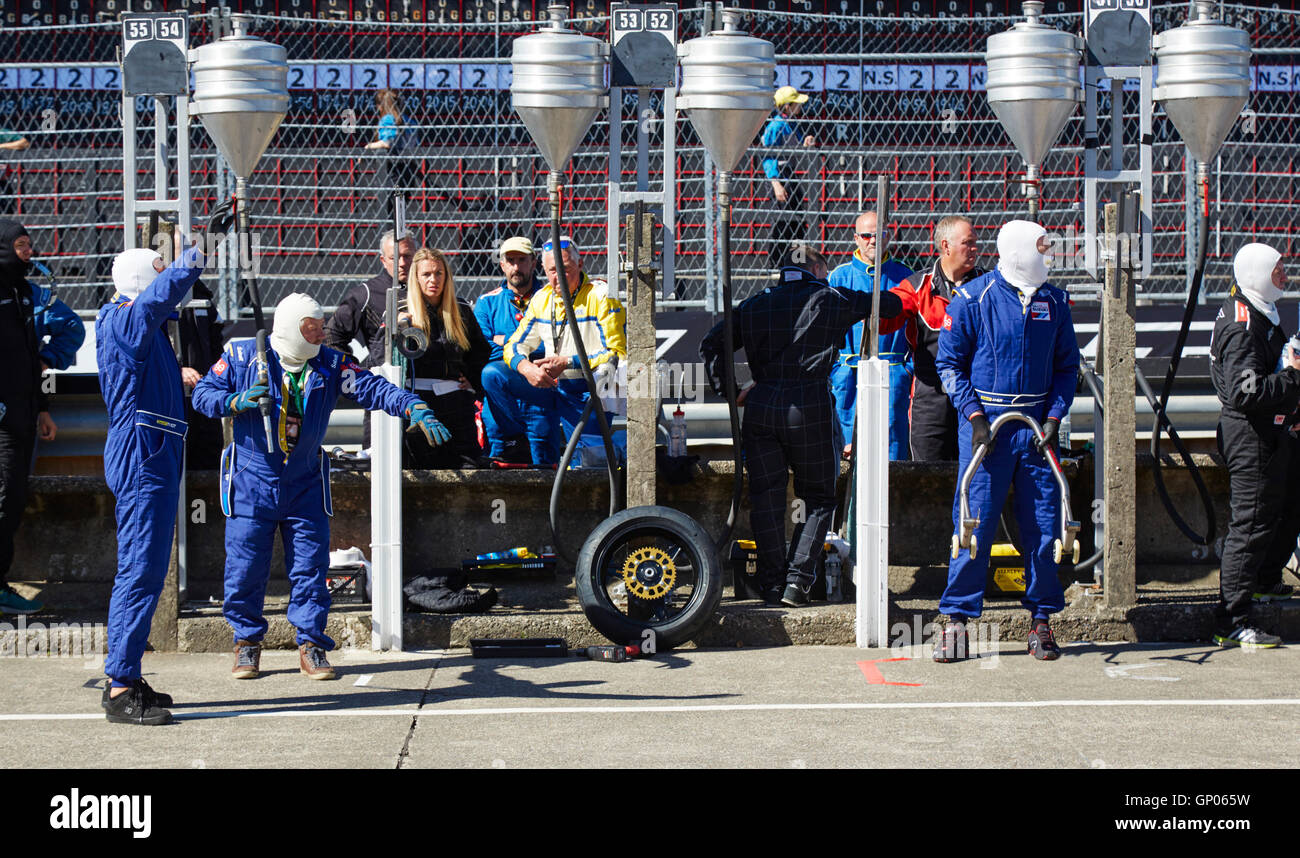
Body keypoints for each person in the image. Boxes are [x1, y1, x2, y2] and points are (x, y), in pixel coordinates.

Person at [192, 292, 446, 682]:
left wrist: (412, 405)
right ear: (289, 328)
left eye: (319, 328)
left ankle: (311, 643)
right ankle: (246, 644)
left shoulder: (329, 363)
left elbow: (373, 388)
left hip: (305, 480)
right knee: (244, 569)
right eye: (308, 329)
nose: (316, 335)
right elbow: (201, 395)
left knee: (311, 568)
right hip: (252, 481)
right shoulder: (244, 356)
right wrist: (236, 401)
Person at [700, 244, 902, 608]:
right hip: (808, 404)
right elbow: (889, 305)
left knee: (767, 498)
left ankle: (772, 584)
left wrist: (730, 392)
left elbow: (710, 345)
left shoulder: (755, 304)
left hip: (762, 406)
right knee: (820, 498)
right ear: (818, 268)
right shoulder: (830, 296)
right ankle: (798, 582)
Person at [933, 220, 1079, 662]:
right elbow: (949, 365)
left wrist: (1054, 416)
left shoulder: (1055, 302)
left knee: (1043, 525)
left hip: (1035, 430)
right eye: (1040, 247)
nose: (1047, 255)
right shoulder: (973, 298)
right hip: (987, 430)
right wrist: (974, 416)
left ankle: (1041, 621)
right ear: (1017, 251)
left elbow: (1067, 367)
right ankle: (957, 621)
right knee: (972, 523)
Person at [97, 241, 205, 725]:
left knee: (144, 568)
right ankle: (121, 684)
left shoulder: (136, 326)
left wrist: (173, 374)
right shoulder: (128, 318)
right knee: (140, 570)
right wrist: (193, 257)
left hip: (150, 453)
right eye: (157, 271)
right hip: (144, 456)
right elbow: (159, 297)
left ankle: (126, 673)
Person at [1208, 242, 1300, 649]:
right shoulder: (1244, 322)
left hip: (1272, 432)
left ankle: (1263, 580)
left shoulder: (1260, 309)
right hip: (1250, 436)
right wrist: (1295, 376)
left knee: (1284, 507)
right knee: (1249, 525)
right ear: (1259, 273)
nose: (1285, 275)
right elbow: (1245, 393)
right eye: (1278, 269)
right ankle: (1231, 619)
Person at [482, 236, 626, 466]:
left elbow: (616, 353)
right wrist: (526, 367)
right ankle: (515, 442)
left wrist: (569, 362)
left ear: (580, 265)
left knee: (590, 464)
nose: (558, 276)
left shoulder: (601, 296)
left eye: (565, 268)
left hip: (587, 390)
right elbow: (514, 345)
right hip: (553, 386)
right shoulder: (542, 298)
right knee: (493, 374)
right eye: (552, 270)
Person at [887, 215, 985, 461]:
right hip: (931, 396)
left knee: (978, 474)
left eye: (975, 242)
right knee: (927, 476)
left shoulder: (989, 285)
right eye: (968, 243)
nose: (975, 249)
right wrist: (875, 307)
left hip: (979, 396)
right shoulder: (917, 286)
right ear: (946, 246)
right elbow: (884, 321)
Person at [827, 210, 915, 460]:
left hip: (893, 375)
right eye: (867, 235)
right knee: (846, 450)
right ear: (856, 238)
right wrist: (836, 370)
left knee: (891, 449)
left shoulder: (906, 276)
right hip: (847, 378)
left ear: (889, 236)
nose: (873, 240)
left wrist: (906, 370)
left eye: (880, 234)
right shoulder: (837, 277)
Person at [325, 227, 416, 446]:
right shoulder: (366, 294)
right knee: (379, 463)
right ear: (383, 260)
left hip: (424, 394)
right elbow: (331, 336)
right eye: (395, 257)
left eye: (407, 256)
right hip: (382, 390)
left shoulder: (430, 288)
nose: (402, 263)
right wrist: (357, 372)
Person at [400, 247, 490, 468]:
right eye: (427, 274)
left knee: (467, 466)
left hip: (456, 401)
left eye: (439, 273)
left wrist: (473, 381)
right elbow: (380, 357)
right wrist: (397, 329)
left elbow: (480, 353)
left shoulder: (460, 309)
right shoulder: (401, 311)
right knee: (420, 470)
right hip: (418, 403)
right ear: (416, 278)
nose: (434, 280)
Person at [0, 219, 49, 616]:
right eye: (20, 245)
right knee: (2, 501)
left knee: (12, 501)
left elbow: (31, 355)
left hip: (23, 415)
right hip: (2, 420)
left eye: (29, 244)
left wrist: (43, 408)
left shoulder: (22, 291)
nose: (28, 252)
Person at [473, 236, 554, 463]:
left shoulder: (551, 298)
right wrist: (523, 348)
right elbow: (483, 351)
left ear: (533, 261)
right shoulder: (487, 302)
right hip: (499, 410)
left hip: (538, 401)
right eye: (510, 261)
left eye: (522, 260)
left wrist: (503, 341)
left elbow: (553, 345)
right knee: (498, 480)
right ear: (502, 264)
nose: (516, 267)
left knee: (544, 476)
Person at [761, 86, 816, 269]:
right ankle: (776, 264)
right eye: (796, 104)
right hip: (780, 177)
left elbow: (797, 145)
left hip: (790, 175)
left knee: (798, 219)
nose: (800, 107)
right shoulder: (776, 126)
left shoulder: (790, 123)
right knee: (782, 222)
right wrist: (776, 183)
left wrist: (805, 143)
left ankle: (798, 262)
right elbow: (767, 156)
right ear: (787, 106)